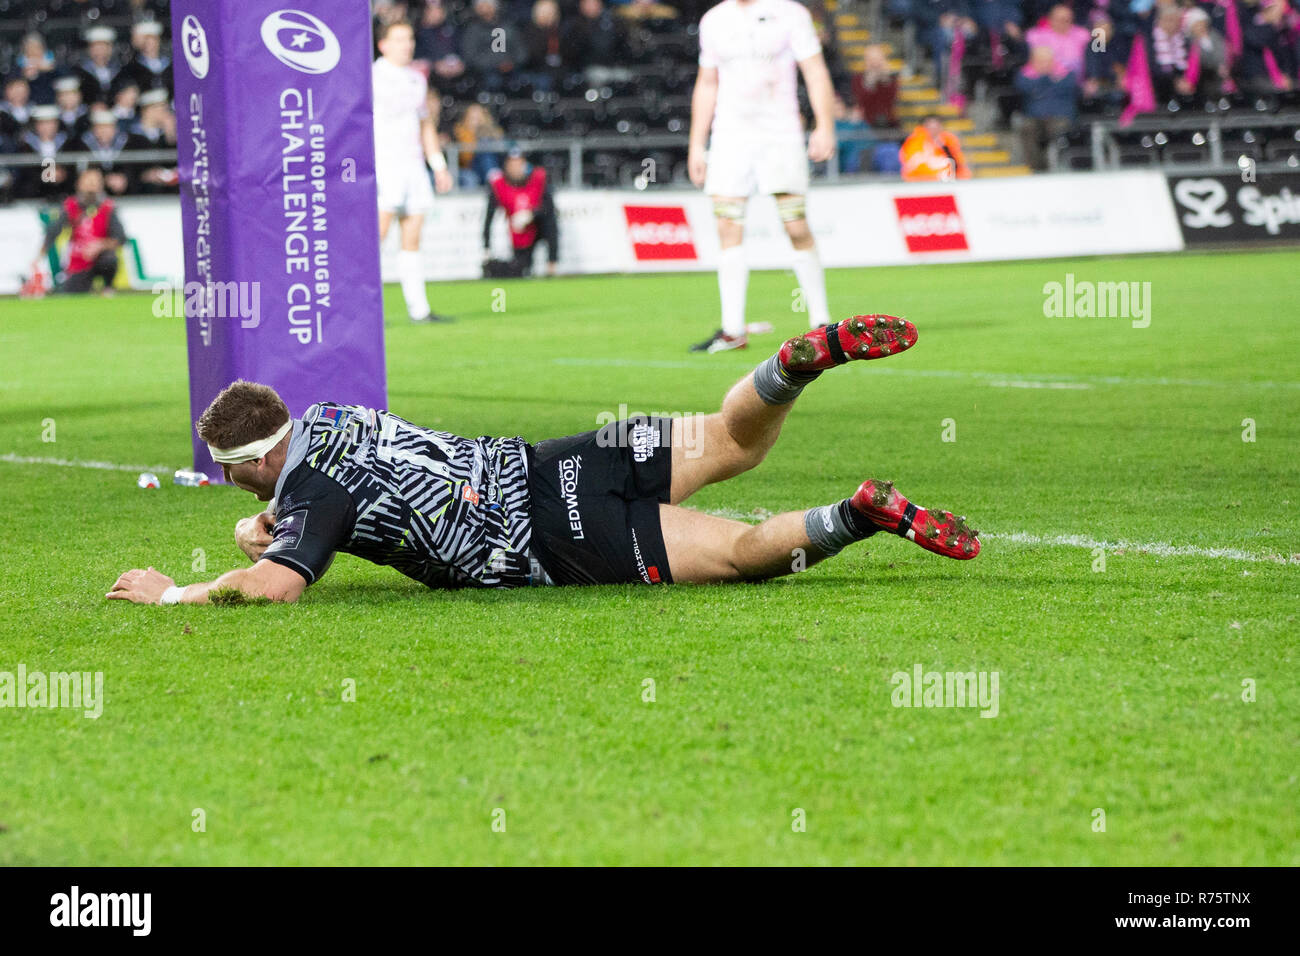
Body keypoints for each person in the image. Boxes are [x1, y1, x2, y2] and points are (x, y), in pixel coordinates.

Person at [105, 315, 980, 605]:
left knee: (747, 551)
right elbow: (333, 496)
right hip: (555, 460)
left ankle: (860, 512)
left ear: (248, 462)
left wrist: (175, 593)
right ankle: (792, 364)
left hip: (554, 537)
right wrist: (271, 520)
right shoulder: (329, 417)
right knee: (729, 439)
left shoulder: (313, 493)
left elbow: (280, 585)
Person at [688, 0, 838, 354]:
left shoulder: (791, 12)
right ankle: (732, 330)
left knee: (795, 225)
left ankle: (820, 323)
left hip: (780, 132)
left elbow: (815, 72)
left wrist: (825, 125)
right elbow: (707, 82)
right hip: (730, 135)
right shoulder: (714, 19)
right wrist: (697, 144)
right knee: (727, 226)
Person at [372, 20, 454, 323]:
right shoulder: (371, 77)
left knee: (413, 239)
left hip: (413, 168)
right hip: (384, 167)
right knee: (375, 239)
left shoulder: (416, 80)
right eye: (399, 39)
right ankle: (365, 310)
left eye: (409, 38)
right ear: (383, 45)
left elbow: (425, 125)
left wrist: (438, 165)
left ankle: (419, 309)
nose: (407, 45)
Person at [34, 166, 127, 295]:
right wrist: (40, 255)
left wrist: (99, 245)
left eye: (95, 181)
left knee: (109, 259)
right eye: (88, 180)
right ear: (79, 183)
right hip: (79, 260)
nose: (91, 185)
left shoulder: (108, 207)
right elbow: (54, 230)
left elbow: (120, 238)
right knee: (69, 293)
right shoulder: (70, 205)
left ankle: (108, 288)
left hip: (100, 258)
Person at [482, 146, 558, 276]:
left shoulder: (538, 179)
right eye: (512, 164)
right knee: (520, 269)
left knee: (550, 223)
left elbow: (549, 209)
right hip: (519, 232)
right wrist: (487, 247)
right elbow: (489, 218)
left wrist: (531, 214)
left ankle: (551, 265)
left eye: (519, 164)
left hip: (538, 226)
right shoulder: (498, 185)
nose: (516, 168)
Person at [1015, 46, 1078, 171]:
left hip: (1060, 116)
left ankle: (1058, 165)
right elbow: (1025, 88)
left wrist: (1042, 84)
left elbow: (1067, 88)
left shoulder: (1067, 73)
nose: (1043, 65)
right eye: (1040, 61)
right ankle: (1038, 168)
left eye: (1046, 61)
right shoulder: (1023, 74)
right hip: (1034, 117)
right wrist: (1048, 80)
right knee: (1027, 128)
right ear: (1032, 62)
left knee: (1059, 129)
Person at [898, 113, 971, 180]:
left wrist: (944, 148)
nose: (933, 131)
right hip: (920, 181)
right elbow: (911, 164)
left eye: (936, 127)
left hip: (946, 180)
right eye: (930, 127)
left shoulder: (949, 140)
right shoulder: (914, 142)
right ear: (924, 127)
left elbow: (957, 163)